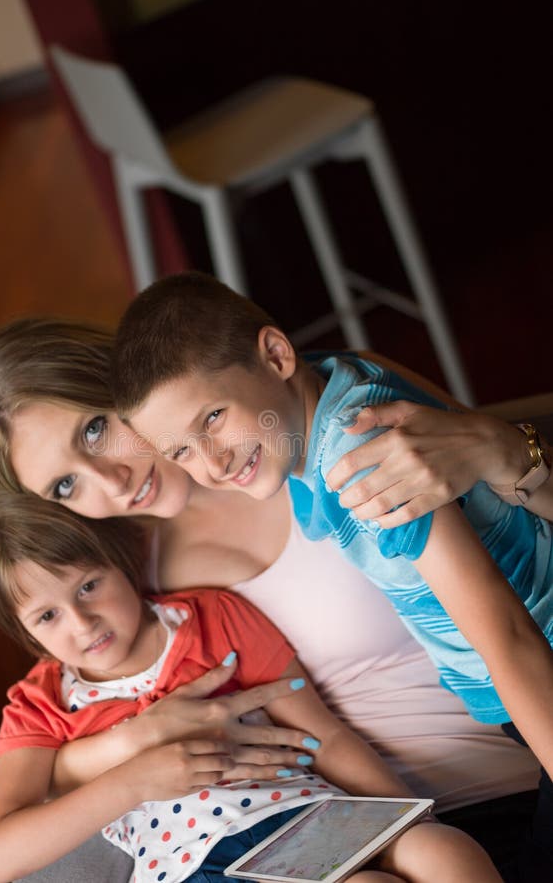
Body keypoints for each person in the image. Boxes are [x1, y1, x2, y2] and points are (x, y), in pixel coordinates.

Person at [0, 317, 539, 878]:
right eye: (65, 484)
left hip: (516, 774)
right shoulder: (121, 580)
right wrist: (139, 738)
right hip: (350, 834)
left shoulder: (297, 412)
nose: (112, 482)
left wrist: (505, 449)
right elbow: (2, 776)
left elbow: (525, 509)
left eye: (95, 429)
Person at [111, 271, 553, 876]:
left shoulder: (356, 460)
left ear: (275, 355)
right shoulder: (328, 387)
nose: (210, 463)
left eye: (213, 417)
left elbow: (506, 636)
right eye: (181, 450)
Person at [0, 491, 502, 883]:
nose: (83, 623)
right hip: (192, 869)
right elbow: (2, 855)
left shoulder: (213, 618)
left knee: (442, 852)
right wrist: (134, 781)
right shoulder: (39, 706)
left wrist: (407, 813)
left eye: (89, 586)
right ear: (24, 634)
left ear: (120, 564)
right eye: (47, 616)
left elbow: (326, 737)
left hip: (305, 820)